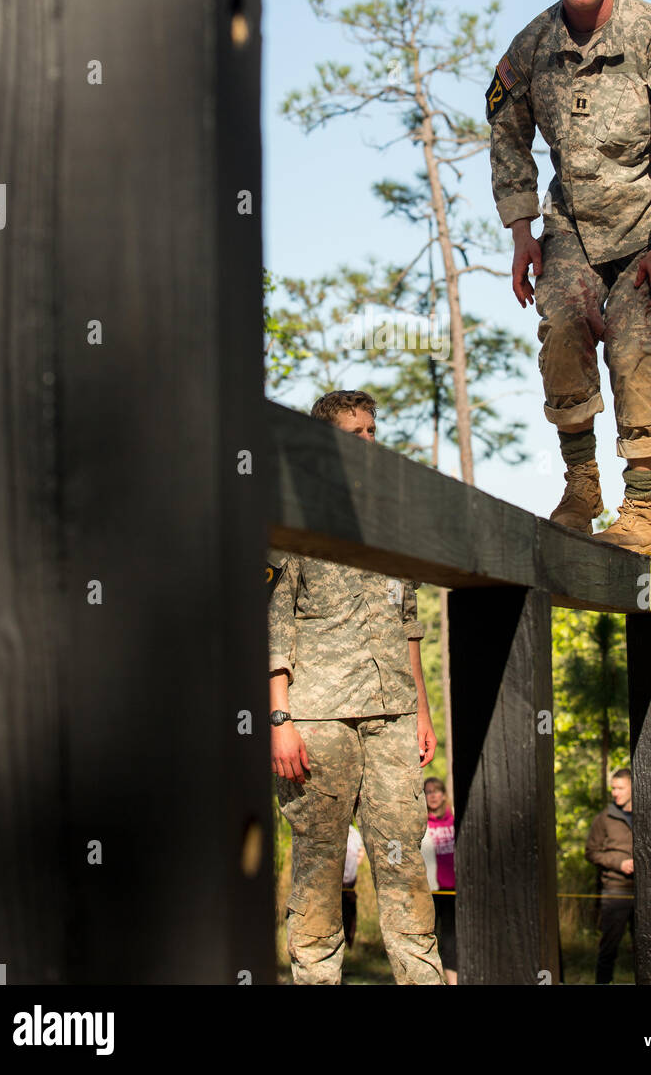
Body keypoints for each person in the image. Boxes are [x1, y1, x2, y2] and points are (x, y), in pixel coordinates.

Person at [487, 0, 651, 556]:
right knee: (559, 324)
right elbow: (504, 129)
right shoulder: (532, 47)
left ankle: (642, 512)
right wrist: (522, 231)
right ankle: (581, 486)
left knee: (633, 349)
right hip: (573, 231)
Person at [268, 389, 445, 986]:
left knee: (404, 860)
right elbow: (273, 621)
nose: (369, 443)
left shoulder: (390, 521)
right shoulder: (292, 516)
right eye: (354, 434)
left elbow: (408, 623)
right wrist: (279, 718)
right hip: (318, 717)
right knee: (320, 864)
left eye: (372, 431)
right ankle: (317, 979)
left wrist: (422, 711)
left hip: (393, 717)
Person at [585, 768, 634, 985]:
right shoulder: (604, 818)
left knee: (648, 948)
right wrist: (619, 864)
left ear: (633, 788)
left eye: (620, 788)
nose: (615, 793)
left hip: (646, 891)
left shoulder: (648, 813)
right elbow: (591, 852)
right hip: (616, 890)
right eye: (613, 788)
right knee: (608, 948)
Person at [422, 777, 457, 984]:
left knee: (451, 941)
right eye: (428, 791)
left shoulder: (454, 822)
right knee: (428, 937)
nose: (433, 795)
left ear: (443, 794)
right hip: (429, 891)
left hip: (453, 891)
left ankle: (454, 981)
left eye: (436, 791)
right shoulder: (421, 824)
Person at [341, 822, 365, 950]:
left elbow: (361, 851)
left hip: (349, 885)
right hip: (335, 886)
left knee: (349, 918)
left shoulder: (354, 834)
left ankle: (348, 945)